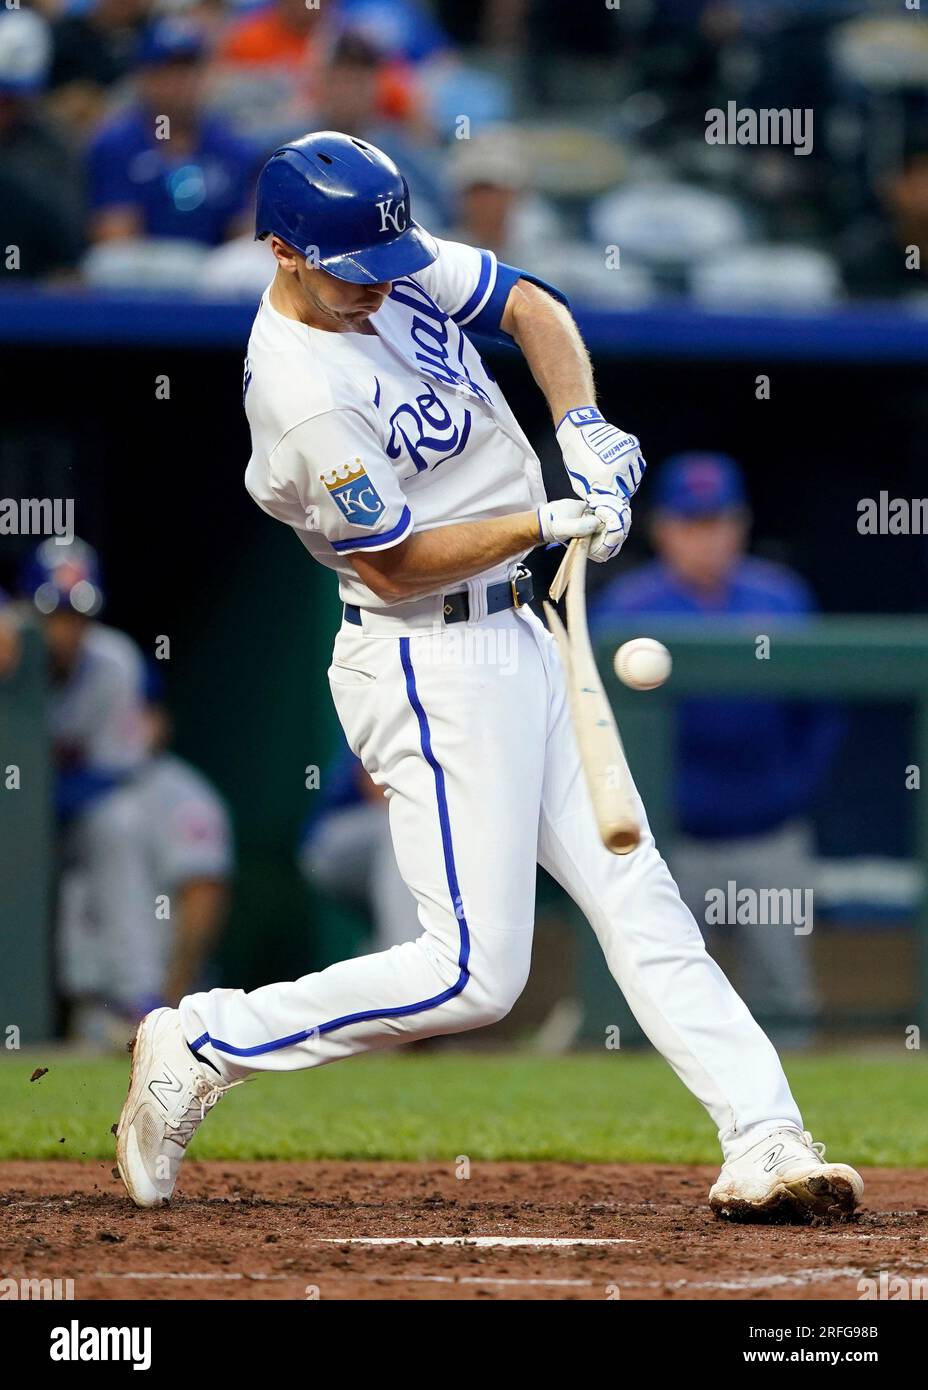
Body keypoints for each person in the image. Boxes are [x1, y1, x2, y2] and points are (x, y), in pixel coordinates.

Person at [115, 131, 863, 1224]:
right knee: (473, 972)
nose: (379, 289)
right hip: (424, 649)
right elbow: (394, 555)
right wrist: (547, 516)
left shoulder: (380, 252)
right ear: (282, 249)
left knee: (635, 891)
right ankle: (204, 1037)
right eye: (349, 275)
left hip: (522, 628)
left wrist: (583, 425)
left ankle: (764, 1135)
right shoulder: (299, 389)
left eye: (386, 263)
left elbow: (531, 307)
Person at [589, 452, 844, 1048]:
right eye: (691, 523)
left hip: (769, 834)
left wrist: (792, 791)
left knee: (785, 1000)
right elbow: (592, 724)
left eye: (718, 521)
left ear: (741, 524)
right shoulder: (629, 605)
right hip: (667, 843)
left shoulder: (780, 597)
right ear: (663, 528)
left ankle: (789, 1130)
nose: (706, 538)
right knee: (657, 997)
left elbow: (823, 712)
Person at [87, 16, 256, 247]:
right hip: (139, 274)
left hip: (212, 276)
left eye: (187, 71)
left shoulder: (233, 148)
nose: (178, 83)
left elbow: (243, 237)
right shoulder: (116, 145)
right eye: (166, 71)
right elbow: (116, 239)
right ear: (144, 78)